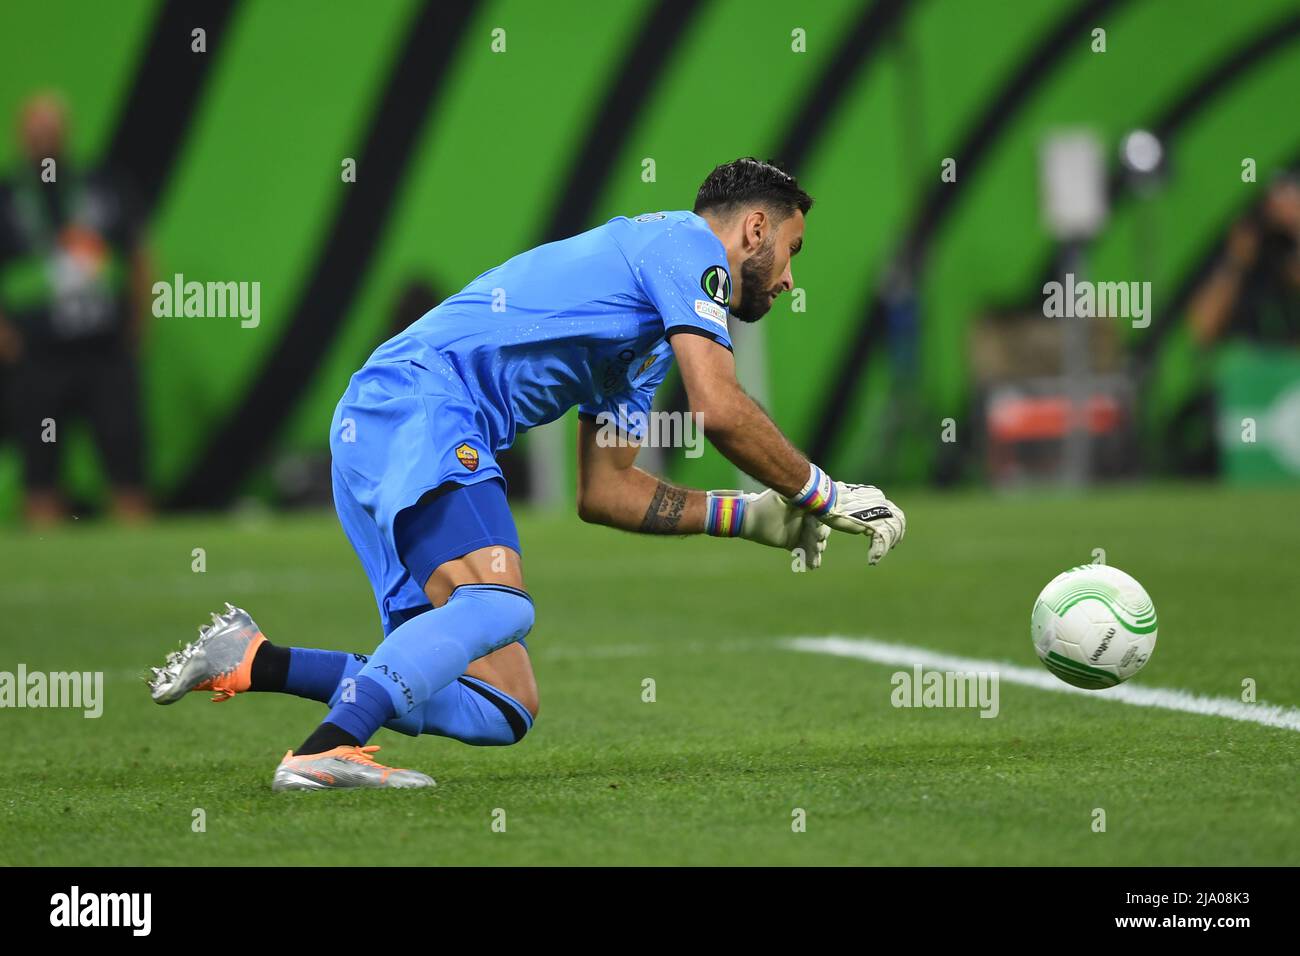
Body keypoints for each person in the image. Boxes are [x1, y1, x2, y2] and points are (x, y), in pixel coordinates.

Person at [147, 158, 906, 791]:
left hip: (387, 430)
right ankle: (321, 750)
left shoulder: (640, 346)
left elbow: (606, 491)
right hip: (423, 405)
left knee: (501, 704)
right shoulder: (687, 246)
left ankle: (253, 660)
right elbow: (718, 405)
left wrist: (751, 516)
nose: (790, 279)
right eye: (794, 249)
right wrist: (824, 493)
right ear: (754, 229)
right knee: (500, 605)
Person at [0, 92, 152, 524]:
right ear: (21, 135)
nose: (44, 137)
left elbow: (140, 255)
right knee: (40, 475)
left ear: (66, 132)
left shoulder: (100, 185)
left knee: (127, 469)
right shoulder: (8, 198)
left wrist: (136, 328)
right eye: (36, 129)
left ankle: (144, 571)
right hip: (38, 358)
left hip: (104, 353)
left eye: (52, 127)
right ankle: (48, 566)